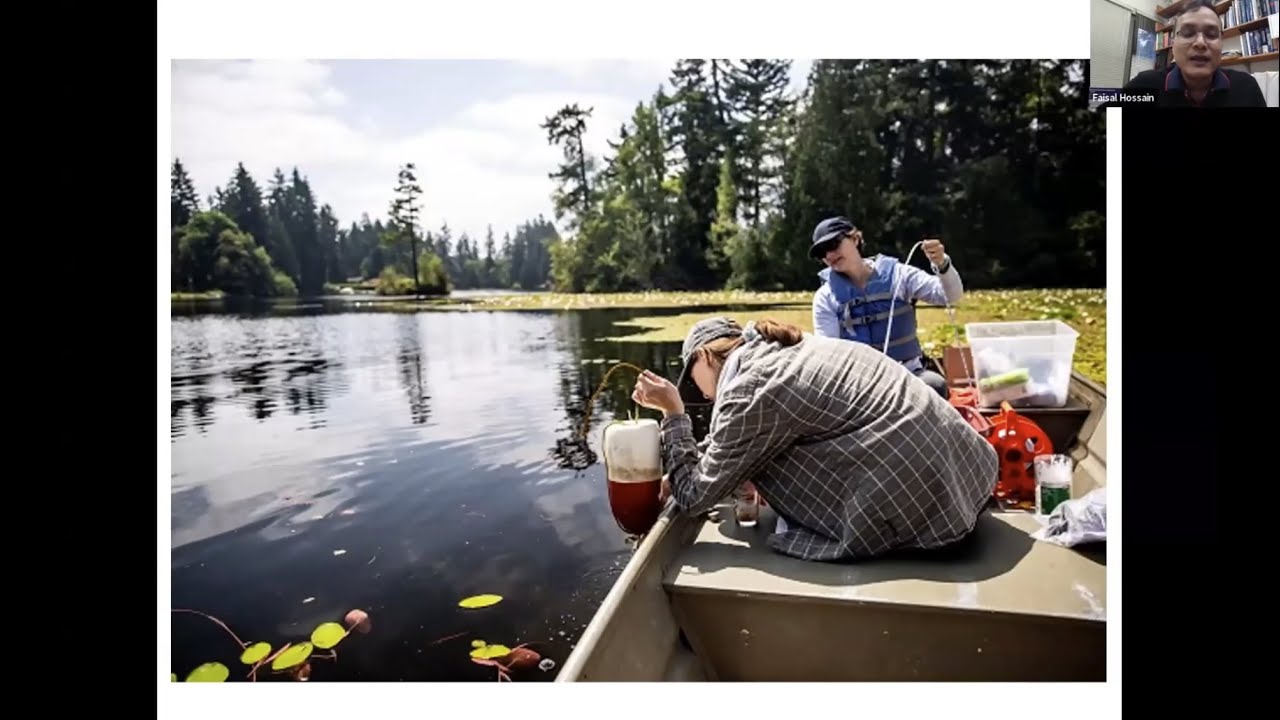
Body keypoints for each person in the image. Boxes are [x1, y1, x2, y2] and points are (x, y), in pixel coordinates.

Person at [631, 316, 999, 562]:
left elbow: (695, 498)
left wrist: (674, 416)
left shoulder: (749, 387)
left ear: (704, 356)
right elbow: (741, 434)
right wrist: (695, 457)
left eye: (694, 382)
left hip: (934, 520)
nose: (706, 397)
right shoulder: (786, 350)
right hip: (969, 479)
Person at [808, 216, 962, 399]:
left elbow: (949, 296)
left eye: (833, 244)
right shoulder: (825, 297)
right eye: (821, 253)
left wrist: (942, 264)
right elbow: (830, 355)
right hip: (859, 385)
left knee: (935, 386)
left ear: (855, 239)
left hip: (908, 376)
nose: (829, 255)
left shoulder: (899, 275)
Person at [1120, 0, 1267, 107]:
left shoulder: (1247, 87)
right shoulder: (1144, 85)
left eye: (1211, 34)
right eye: (1188, 33)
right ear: (1173, 43)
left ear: (1221, 42)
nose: (1200, 43)